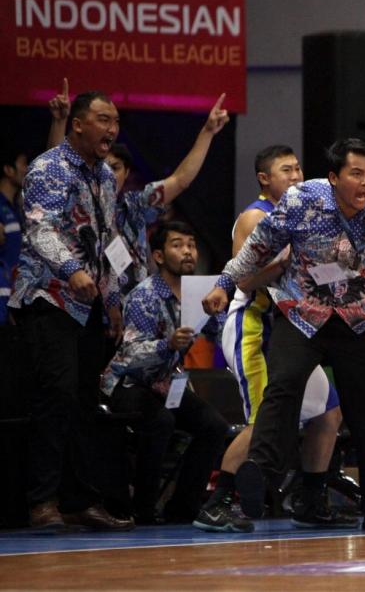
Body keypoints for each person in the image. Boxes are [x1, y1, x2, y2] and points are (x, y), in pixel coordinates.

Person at [202, 138, 365, 532]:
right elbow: (258, 247)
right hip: (301, 315)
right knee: (284, 385)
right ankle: (257, 477)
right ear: (333, 178)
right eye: (356, 174)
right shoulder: (302, 201)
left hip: (360, 323)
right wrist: (224, 283)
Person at [196, 143, 355, 532]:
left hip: (290, 331)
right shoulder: (255, 217)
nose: (298, 176)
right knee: (265, 421)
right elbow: (244, 280)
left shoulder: (304, 220)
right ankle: (218, 501)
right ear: (265, 179)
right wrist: (285, 262)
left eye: (299, 169)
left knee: (327, 413)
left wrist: (340, 270)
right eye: (287, 170)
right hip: (254, 326)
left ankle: (310, 500)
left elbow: (308, 280)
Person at [12, 90, 133, 531]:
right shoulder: (49, 167)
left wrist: (115, 300)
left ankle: (82, 499)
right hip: (49, 298)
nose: (113, 129)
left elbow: (110, 241)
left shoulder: (103, 175)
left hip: (90, 305)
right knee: (57, 397)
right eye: (103, 120)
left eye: (116, 121)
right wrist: (70, 269)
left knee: (86, 403)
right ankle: (42, 501)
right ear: (78, 124)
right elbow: (39, 228)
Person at [100, 222, 229, 524]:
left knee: (214, 425)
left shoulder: (197, 294)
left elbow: (220, 335)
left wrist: (219, 313)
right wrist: (166, 345)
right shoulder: (145, 296)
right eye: (177, 244)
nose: (187, 251)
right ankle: (143, 509)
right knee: (161, 421)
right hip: (128, 383)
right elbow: (131, 356)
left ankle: (183, 509)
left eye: (192, 244)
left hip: (165, 382)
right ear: (158, 256)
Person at [49, 80, 230, 293]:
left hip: (131, 310)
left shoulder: (136, 206)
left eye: (115, 168)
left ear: (126, 174)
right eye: (103, 167)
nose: (108, 174)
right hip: (82, 304)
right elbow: (55, 172)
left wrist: (208, 132)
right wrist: (60, 122)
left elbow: (180, 180)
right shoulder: (76, 199)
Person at [0, 144, 27, 324]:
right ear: (9, 170)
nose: (27, 169)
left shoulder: (20, 209)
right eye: (23, 164)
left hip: (14, 298)